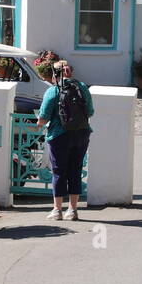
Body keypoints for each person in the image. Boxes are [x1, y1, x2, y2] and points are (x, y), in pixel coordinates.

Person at [36, 59, 93, 221]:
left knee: (59, 172)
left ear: (55, 74)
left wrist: (38, 124)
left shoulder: (53, 91)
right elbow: (90, 111)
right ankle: (73, 210)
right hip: (81, 134)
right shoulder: (81, 87)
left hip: (59, 136)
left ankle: (57, 210)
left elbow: (43, 117)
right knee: (75, 170)